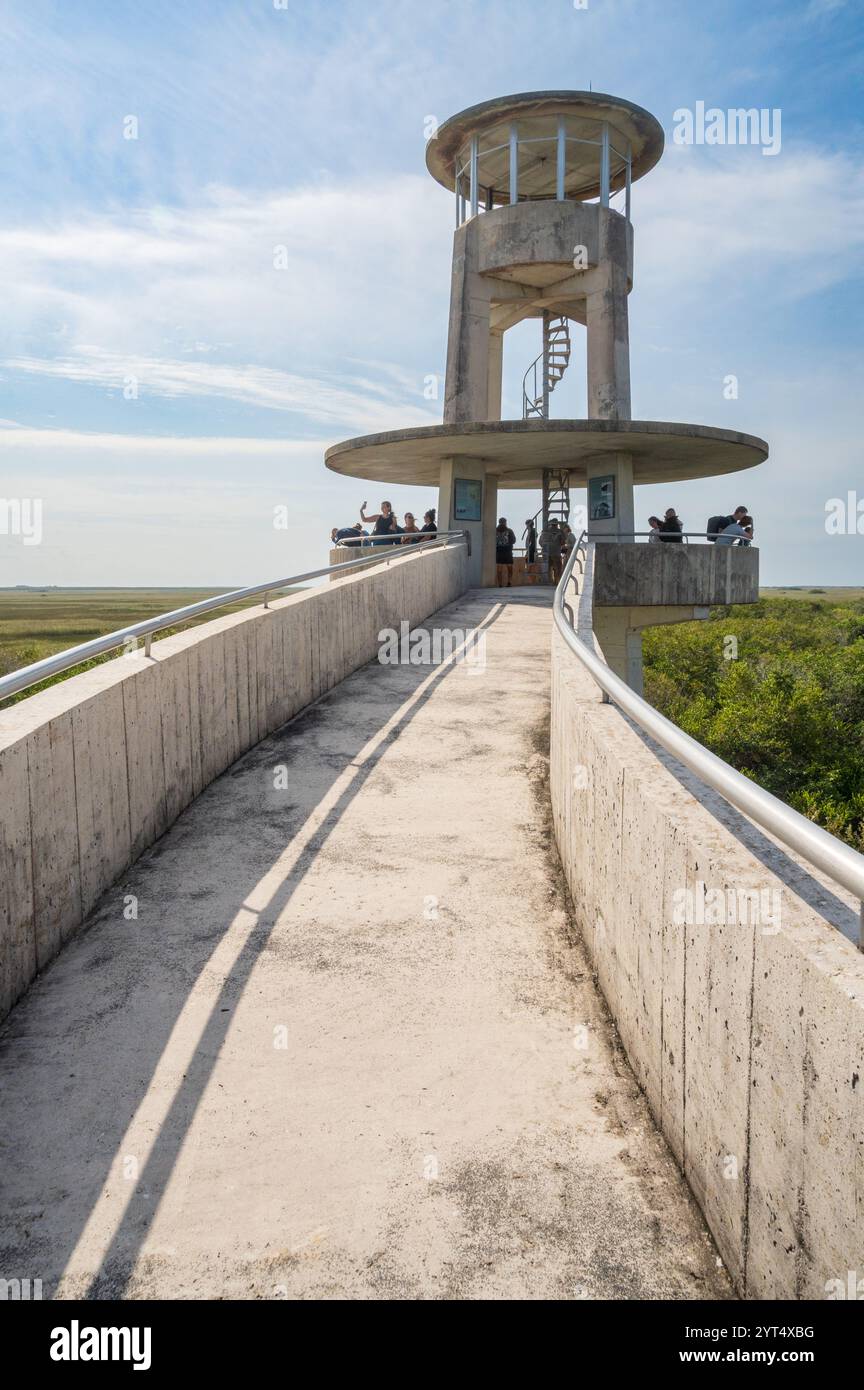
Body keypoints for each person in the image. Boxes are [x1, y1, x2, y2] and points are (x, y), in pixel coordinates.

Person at [495, 517, 517, 586]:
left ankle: (500, 584)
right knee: (509, 568)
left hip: (499, 552)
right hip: (508, 551)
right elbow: (513, 540)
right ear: (505, 522)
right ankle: (509, 582)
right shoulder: (509, 531)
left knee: (499, 569)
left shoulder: (495, 530)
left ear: (499, 522)